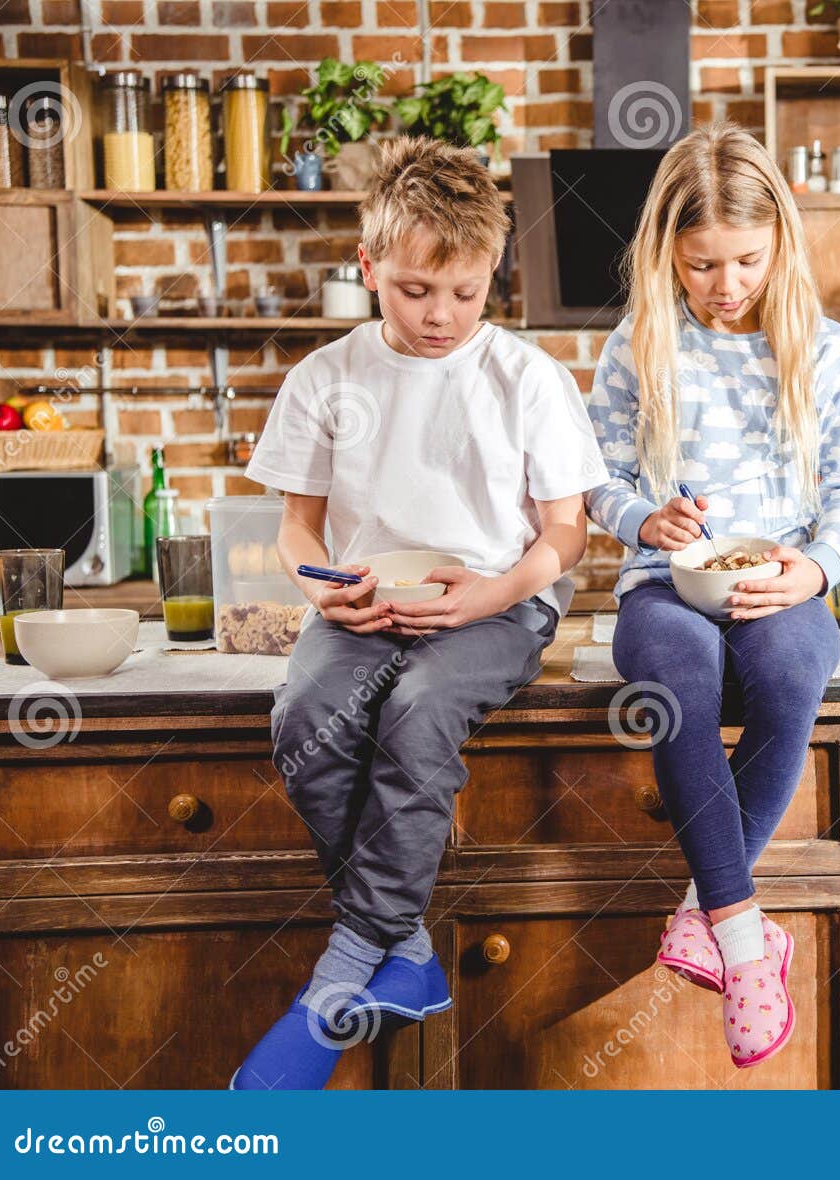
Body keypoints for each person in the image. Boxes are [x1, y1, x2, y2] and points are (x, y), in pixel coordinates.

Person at [231, 136, 607, 1089]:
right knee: (306, 720)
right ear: (367, 268)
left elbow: (566, 535)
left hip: (497, 605)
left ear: (494, 276)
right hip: (365, 605)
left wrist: (496, 591)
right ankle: (404, 943)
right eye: (412, 290)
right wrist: (319, 588)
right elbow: (296, 530)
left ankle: (347, 967)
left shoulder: (527, 379)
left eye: (466, 293)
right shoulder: (326, 377)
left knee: (418, 708)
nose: (441, 316)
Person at [584, 121, 840, 1069]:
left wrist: (818, 568)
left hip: (780, 576)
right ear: (667, 250)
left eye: (747, 259)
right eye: (703, 263)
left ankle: (700, 912)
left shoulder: (821, 347)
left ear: (779, 243)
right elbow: (595, 475)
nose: (727, 284)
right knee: (678, 670)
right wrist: (642, 520)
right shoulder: (638, 346)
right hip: (666, 587)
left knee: (793, 671)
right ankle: (748, 938)